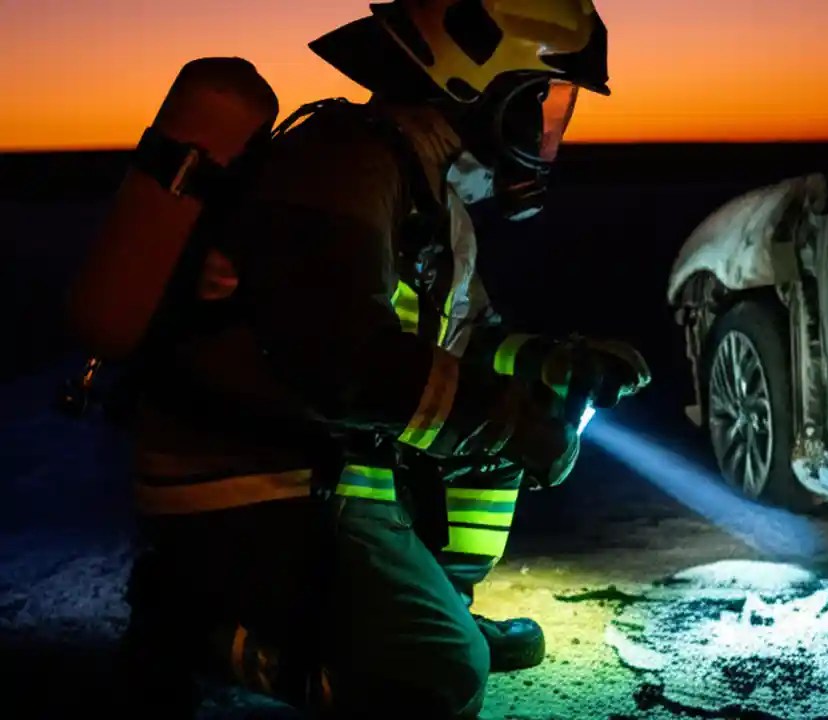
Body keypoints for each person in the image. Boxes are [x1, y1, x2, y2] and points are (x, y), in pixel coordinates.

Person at [119, 1, 647, 717]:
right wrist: (513, 421)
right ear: (477, 79)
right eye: (541, 97)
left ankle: (438, 606)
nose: (547, 125)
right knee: (438, 682)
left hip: (316, 450)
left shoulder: (422, 182)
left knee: (506, 412)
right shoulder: (343, 162)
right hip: (250, 474)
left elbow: (463, 344)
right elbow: (340, 358)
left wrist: (558, 368)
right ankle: (199, 631)